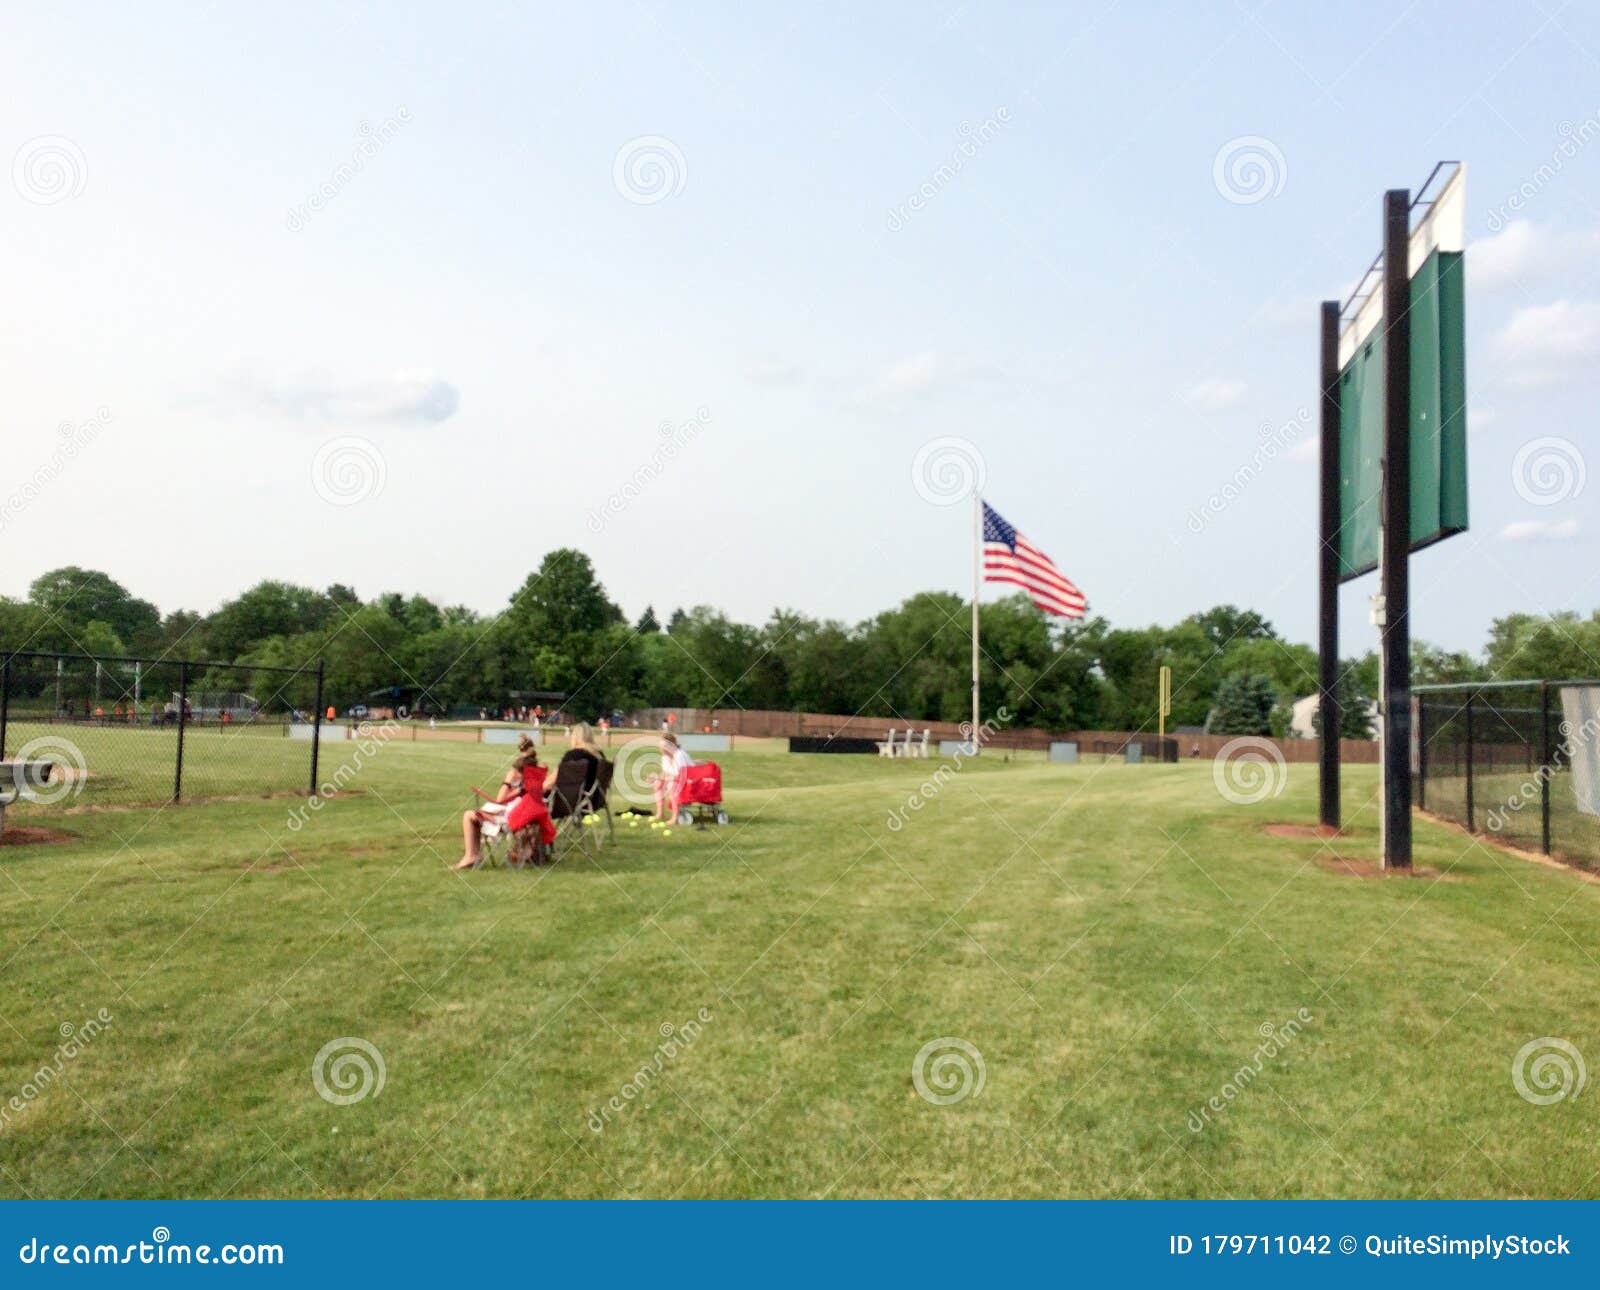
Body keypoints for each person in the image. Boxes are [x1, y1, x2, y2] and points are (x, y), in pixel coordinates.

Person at [455, 735, 556, 870]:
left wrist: (508, 781)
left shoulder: (520, 789)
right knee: (478, 813)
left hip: (511, 820)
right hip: (523, 819)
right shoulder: (535, 784)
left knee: (469, 815)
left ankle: (472, 855)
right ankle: (474, 855)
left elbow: (499, 801)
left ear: (519, 773)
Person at [652, 732, 692, 823]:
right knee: (657, 784)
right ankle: (660, 813)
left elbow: (681, 776)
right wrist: (657, 778)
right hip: (675, 780)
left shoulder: (679, 755)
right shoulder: (664, 757)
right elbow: (665, 773)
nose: (662, 749)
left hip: (689, 782)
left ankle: (675, 817)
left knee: (672, 785)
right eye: (661, 746)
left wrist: (666, 779)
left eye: (665, 746)